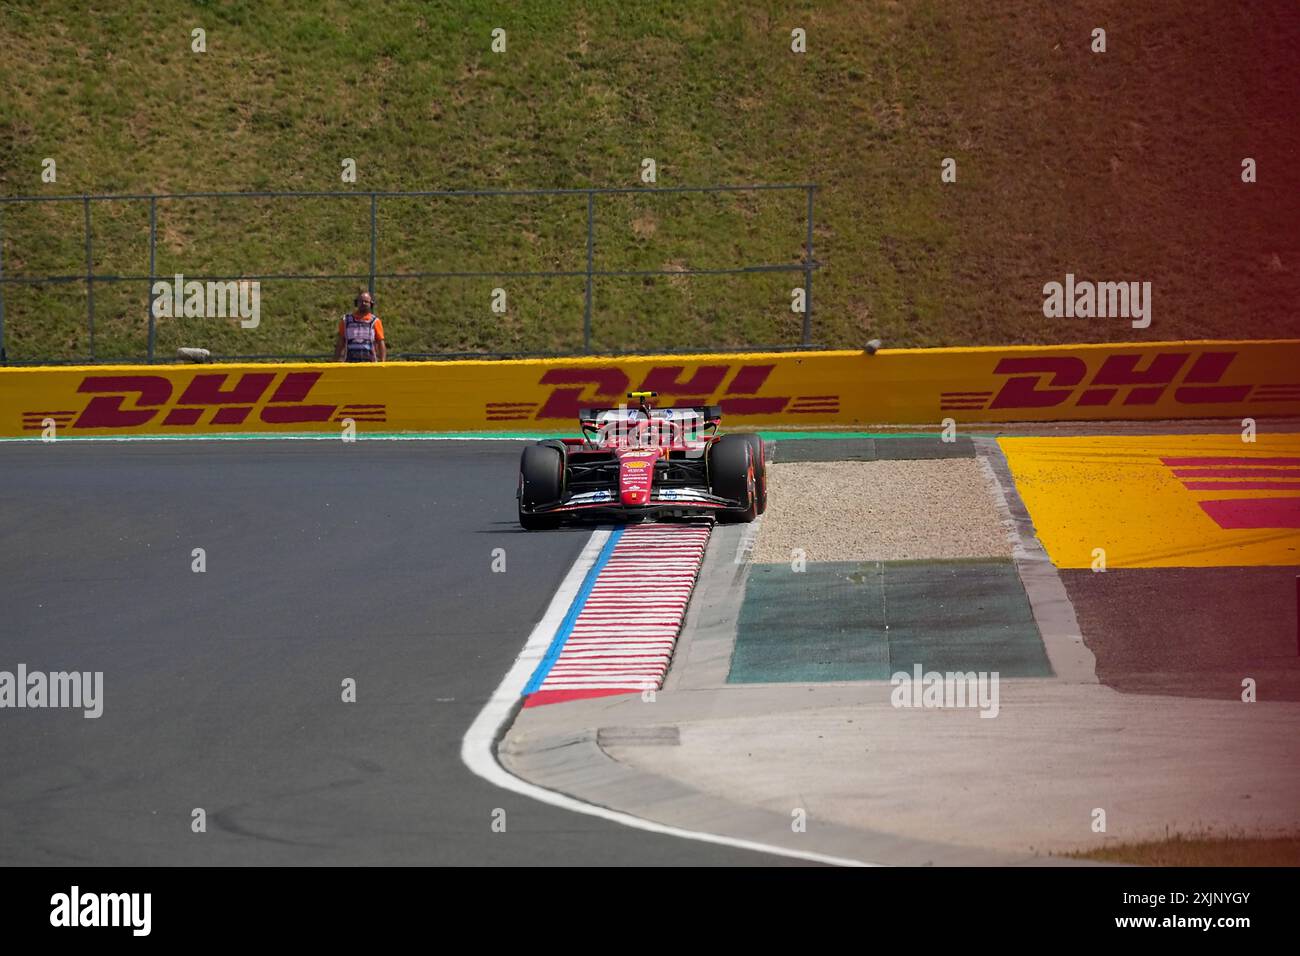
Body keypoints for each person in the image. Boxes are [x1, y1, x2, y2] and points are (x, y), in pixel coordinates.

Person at [335, 291, 387, 362]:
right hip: (350, 363)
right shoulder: (346, 320)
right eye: (361, 301)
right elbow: (340, 342)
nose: (363, 304)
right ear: (356, 303)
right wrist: (335, 361)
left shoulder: (375, 321)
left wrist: (382, 362)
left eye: (366, 301)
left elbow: (381, 343)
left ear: (371, 304)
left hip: (370, 364)